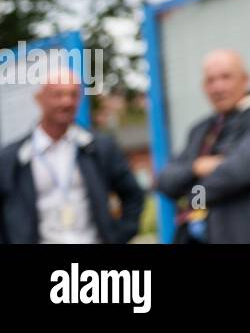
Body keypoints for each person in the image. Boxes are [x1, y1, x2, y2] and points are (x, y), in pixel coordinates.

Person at [156, 49, 250, 243]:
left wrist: (190, 195)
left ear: (245, 80)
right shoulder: (201, 130)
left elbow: (236, 173)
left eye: (226, 77)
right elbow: (165, 180)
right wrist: (197, 167)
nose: (218, 87)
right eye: (210, 80)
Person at [0, 68, 143, 243]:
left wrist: (119, 235)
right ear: (39, 98)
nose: (67, 102)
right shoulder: (13, 158)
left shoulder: (99, 147)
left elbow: (133, 194)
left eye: (73, 95)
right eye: (58, 94)